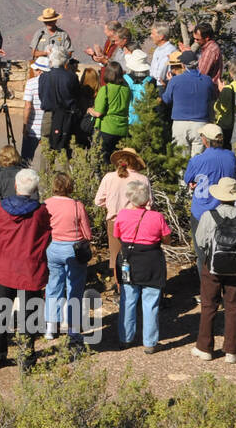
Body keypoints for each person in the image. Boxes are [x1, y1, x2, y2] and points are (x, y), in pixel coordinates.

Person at [0, 168, 51, 370]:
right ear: (35, 189)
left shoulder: (2, 208)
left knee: (0, 313)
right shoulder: (40, 212)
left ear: (16, 185)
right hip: (29, 268)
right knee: (29, 316)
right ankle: (26, 359)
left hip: (5, 267)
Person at [193, 178, 236, 364]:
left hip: (212, 266)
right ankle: (232, 351)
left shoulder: (208, 216)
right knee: (233, 307)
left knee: (208, 304)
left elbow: (201, 242)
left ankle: (204, 348)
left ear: (218, 196)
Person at [110, 179, 172, 353]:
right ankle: (150, 342)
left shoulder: (122, 215)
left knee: (128, 299)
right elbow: (167, 239)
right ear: (147, 199)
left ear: (130, 197)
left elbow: (117, 235)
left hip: (129, 260)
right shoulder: (157, 217)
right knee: (151, 301)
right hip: (152, 260)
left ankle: (125, 338)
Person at [183, 123, 236, 283]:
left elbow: (188, 179)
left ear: (205, 140)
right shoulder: (230, 156)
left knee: (203, 254)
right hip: (225, 210)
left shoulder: (197, 160)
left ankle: (208, 290)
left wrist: (194, 182)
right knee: (224, 250)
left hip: (202, 210)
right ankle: (225, 288)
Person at [43, 171, 92, 349]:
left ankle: (50, 326)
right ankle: (72, 327)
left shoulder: (47, 204)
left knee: (53, 284)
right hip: (73, 248)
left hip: (53, 247)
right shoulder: (77, 205)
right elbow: (87, 232)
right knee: (75, 287)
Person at [94, 147, 151, 278]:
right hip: (137, 222)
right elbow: (149, 204)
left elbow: (98, 201)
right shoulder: (142, 179)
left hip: (115, 221)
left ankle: (120, 287)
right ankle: (135, 284)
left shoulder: (109, 177)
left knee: (116, 257)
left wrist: (111, 206)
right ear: (135, 161)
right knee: (135, 256)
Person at [161, 49, 217, 156]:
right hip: (201, 124)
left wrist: (168, 85)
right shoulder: (207, 80)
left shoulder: (175, 81)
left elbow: (166, 100)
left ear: (182, 65)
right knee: (198, 160)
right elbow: (212, 98)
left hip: (180, 124)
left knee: (180, 160)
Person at [37, 46, 80, 159]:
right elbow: (76, 97)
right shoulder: (71, 77)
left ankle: (46, 174)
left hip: (48, 115)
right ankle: (65, 175)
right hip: (66, 117)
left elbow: (41, 96)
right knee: (65, 149)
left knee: (46, 149)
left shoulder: (43, 77)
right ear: (65, 61)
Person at [87, 60, 131, 162]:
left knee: (102, 161)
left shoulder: (105, 89)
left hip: (106, 128)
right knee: (118, 162)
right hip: (122, 129)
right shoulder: (127, 90)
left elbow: (98, 113)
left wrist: (90, 110)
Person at [20, 57, 47, 162]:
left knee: (26, 159)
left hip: (32, 127)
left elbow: (28, 106)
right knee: (47, 161)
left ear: (40, 70)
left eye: (35, 69)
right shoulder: (52, 82)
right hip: (48, 126)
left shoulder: (31, 83)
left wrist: (25, 125)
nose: (33, 71)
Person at [148, 23, 175, 87]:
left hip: (164, 85)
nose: (151, 36)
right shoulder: (158, 49)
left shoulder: (170, 51)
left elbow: (162, 73)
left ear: (161, 36)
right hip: (155, 84)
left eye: (153, 34)